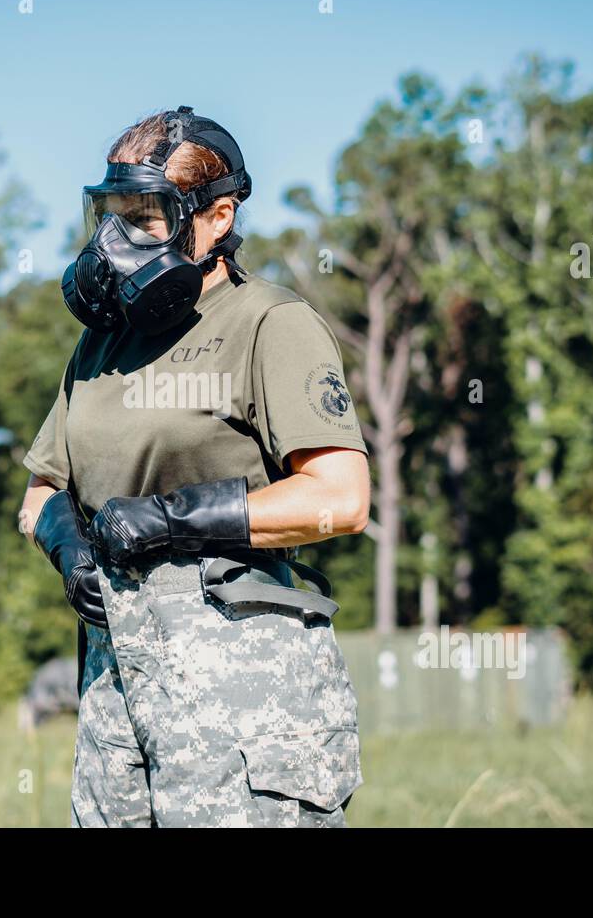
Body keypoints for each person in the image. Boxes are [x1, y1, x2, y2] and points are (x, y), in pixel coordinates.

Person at [19, 106, 370, 827]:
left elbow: (340, 497)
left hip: (244, 692)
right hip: (116, 685)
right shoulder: (101, 343)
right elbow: (41, 489)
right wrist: (67, 546)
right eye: (111, 213)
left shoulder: (271, 324)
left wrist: (171, 519)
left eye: (146, 217)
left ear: (216, 216)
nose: (118, 238)